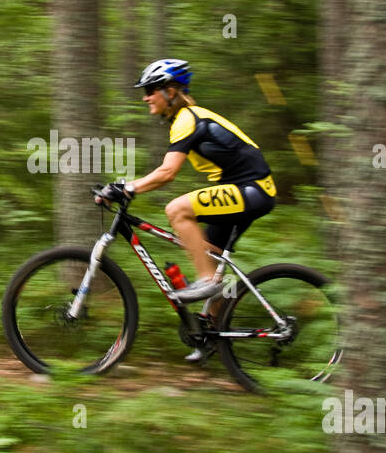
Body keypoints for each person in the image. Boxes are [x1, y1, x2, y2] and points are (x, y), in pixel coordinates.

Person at [95, 58, 278, 359]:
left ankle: (208, 282)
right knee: (208, 253)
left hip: (252, 189)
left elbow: (167, 173)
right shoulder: (184, 120)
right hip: (245, 188)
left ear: (171, 91)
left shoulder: (187, 119)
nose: (146, 97)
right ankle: (211, 335)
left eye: (152, 89)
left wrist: (127, 187)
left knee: (178, 210)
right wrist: (127, 186)